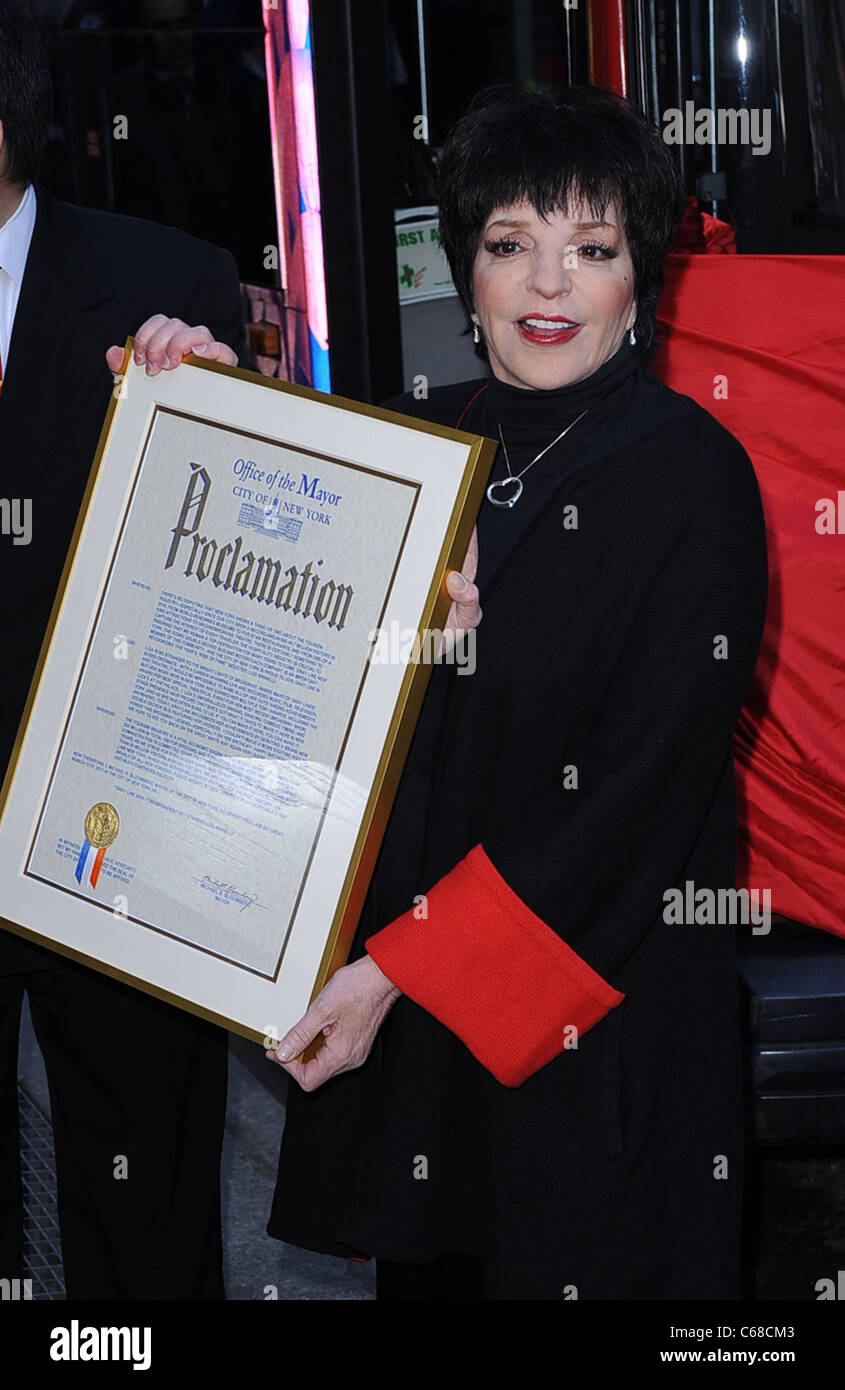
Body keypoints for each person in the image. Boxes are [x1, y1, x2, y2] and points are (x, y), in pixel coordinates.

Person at [137, 83, 769, 1300]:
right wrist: (201, 409)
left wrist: (388, 972)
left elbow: (625, 802)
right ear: (462, 271)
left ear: (641, 276)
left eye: (590, 250)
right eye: (507, 246)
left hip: (591, 1018)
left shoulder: (696, 481)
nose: (546, 286)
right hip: (425, 1024)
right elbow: (287, 657)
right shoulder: (413, 451)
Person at [0, 0, 243, 1298]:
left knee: (142, 1204)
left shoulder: (169, 281)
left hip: (122, 837)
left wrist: (215, 409)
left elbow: (251, 563)